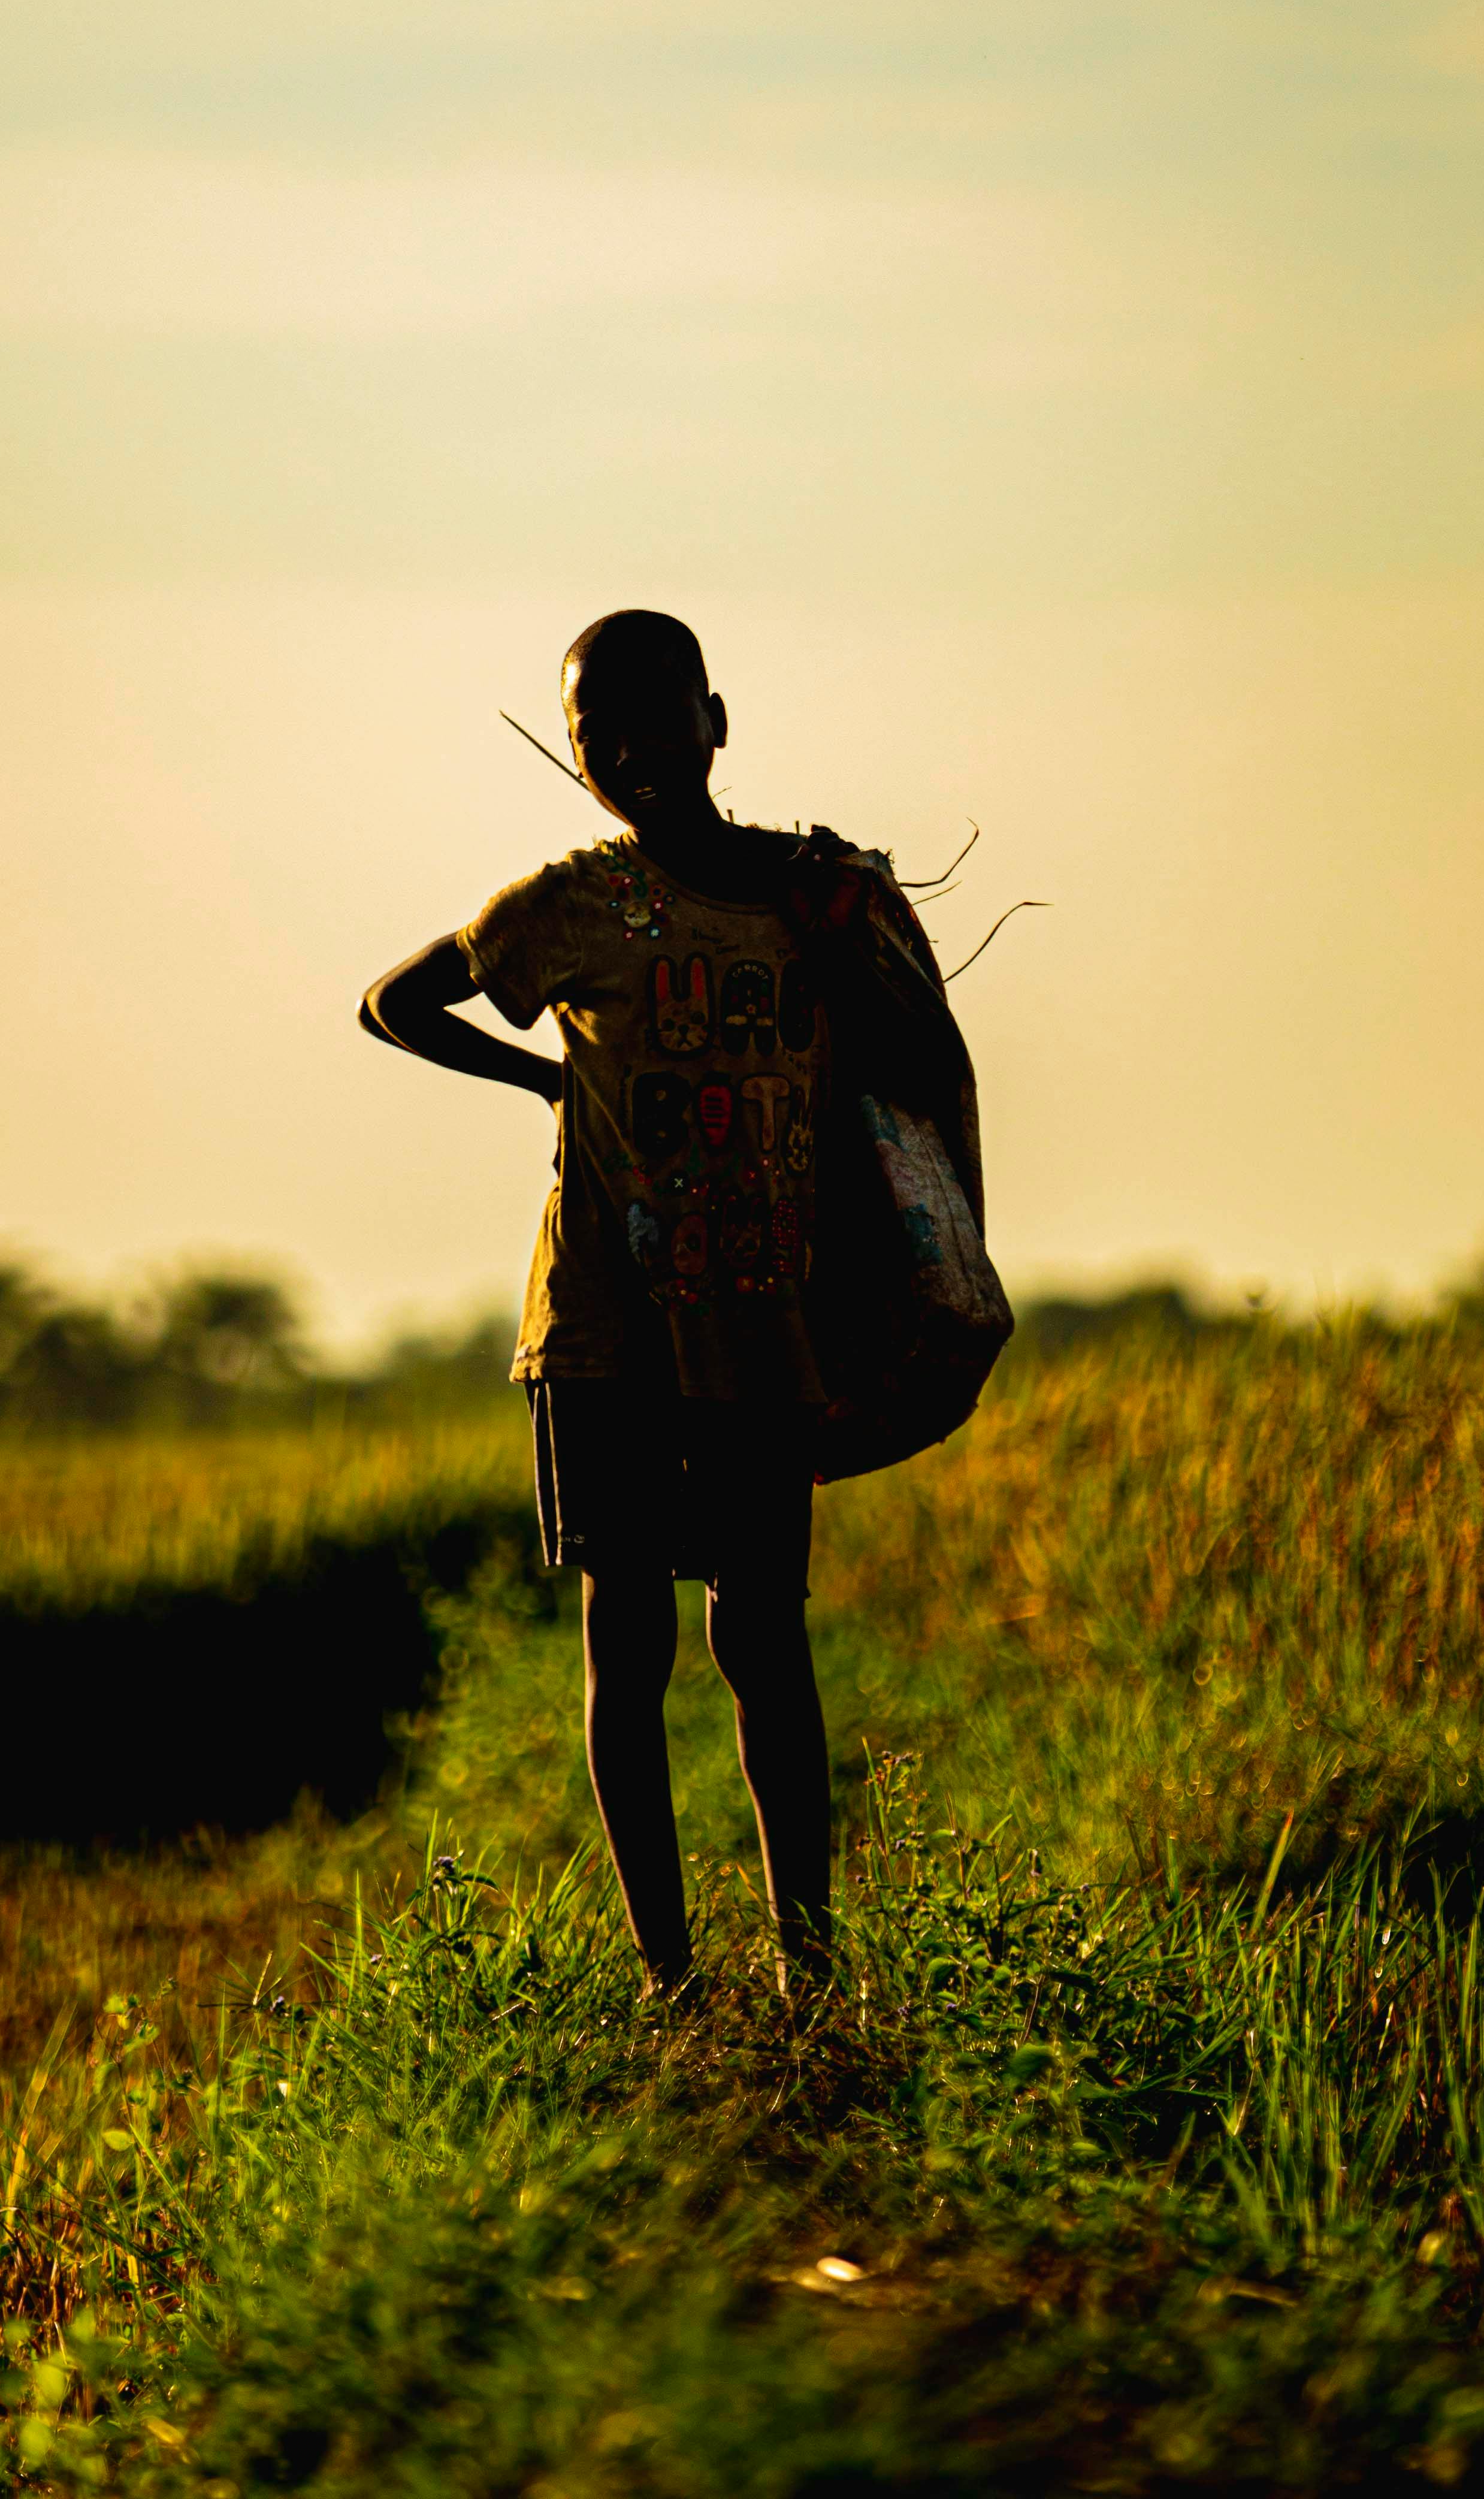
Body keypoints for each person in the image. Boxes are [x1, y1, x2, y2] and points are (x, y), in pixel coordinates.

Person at [361, 608, 905, 2001]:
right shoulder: (567, 906)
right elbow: (396, 1004)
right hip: (604, 1327)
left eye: (661, 719)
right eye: (601, 733)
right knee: (631, 1636)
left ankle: (810, 1972)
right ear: (578, 756)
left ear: (716, 723)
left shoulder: (808, 897)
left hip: (763, 1319)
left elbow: (893, 1053)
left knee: (765, 1636)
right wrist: (546, 1084)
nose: (635, 750)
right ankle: (672, 1983)